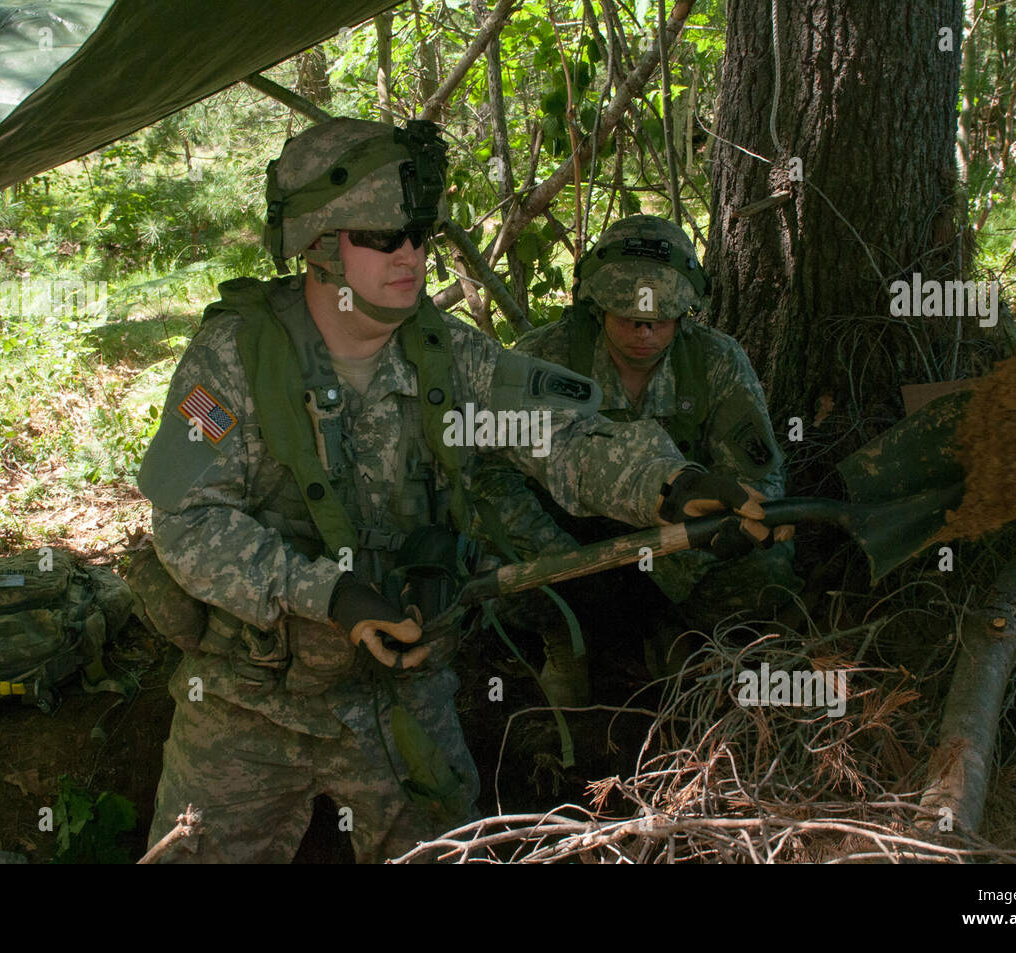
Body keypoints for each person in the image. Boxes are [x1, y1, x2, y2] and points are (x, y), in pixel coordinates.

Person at [132, 120, 773, 863]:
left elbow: (563, 434)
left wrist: (670, 482)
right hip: (248, 701)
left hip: (399, 688)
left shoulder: (448, 355)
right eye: (382, 235)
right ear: (319, 243)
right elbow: (187, 521)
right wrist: (326, 594)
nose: (410, 252)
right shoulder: (234, 359)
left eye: (419, 232)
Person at [473, 215, 800, 705]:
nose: (644, 332)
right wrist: (560, 562)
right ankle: (566, 638)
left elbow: (758, 481)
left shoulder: (716, 361)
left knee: (766, 569)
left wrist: (707, 546)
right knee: (496, 566)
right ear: (596, 307)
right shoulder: (544, 358)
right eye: (628, 317)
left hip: (676, 541)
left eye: (660, 319)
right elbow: (487, 476)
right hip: (565, 538)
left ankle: (670, 630)